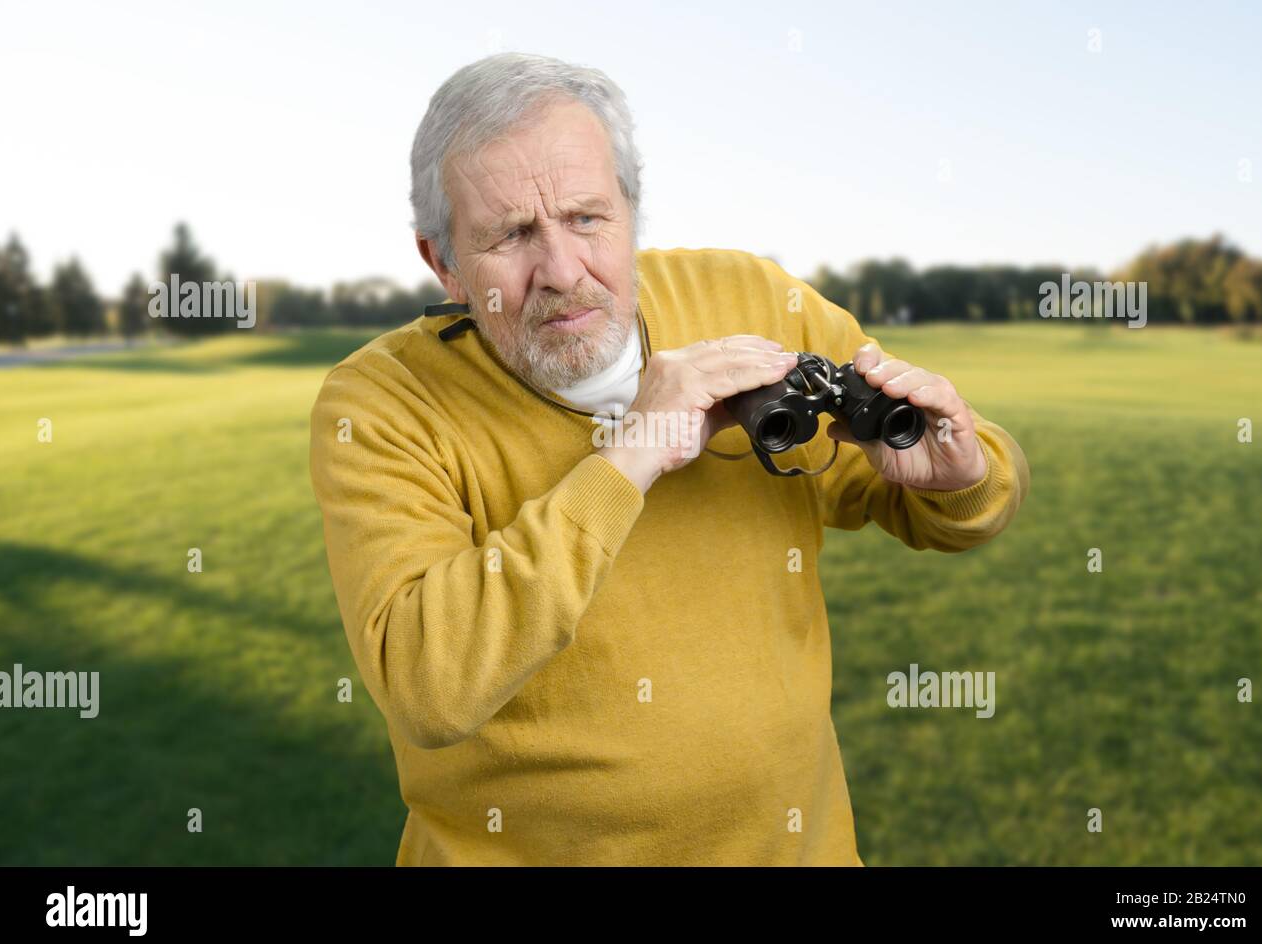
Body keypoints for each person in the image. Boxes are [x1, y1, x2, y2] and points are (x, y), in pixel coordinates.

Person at [308, 52, 1030, 866]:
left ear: (631, 211)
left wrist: (965, 480)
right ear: (442, 263)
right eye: (511, 235)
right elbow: (429, 687)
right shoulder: (381, 403)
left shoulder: (751, 298)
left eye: (587, 218)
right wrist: (631, 455)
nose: (562, 271)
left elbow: (961, 492)